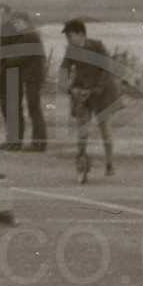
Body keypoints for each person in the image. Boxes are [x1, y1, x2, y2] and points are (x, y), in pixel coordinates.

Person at [60, 18, 120, 181]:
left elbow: (107, 69)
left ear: (80, 34)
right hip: (82, 93)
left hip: (102, 93)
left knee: (105, 128)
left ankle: (109, 163)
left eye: (70, 35)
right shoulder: (70, 50)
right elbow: (64, 68)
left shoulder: (97, 46)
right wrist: (68, 88)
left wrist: (97, 89)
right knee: (82, 129)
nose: (68, 39)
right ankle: (81, 161)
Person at [0, 4, 48, 151]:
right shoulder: (28, 34)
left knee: (34, 108)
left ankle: (39, 142)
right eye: (15, 22)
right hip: (30, 75)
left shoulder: (29, 35)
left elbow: (18, 57)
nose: (16, 25)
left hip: (33, 76)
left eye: (18, 22)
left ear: (25, 21)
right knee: (31, 108)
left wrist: (2, 62)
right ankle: (31, 141)